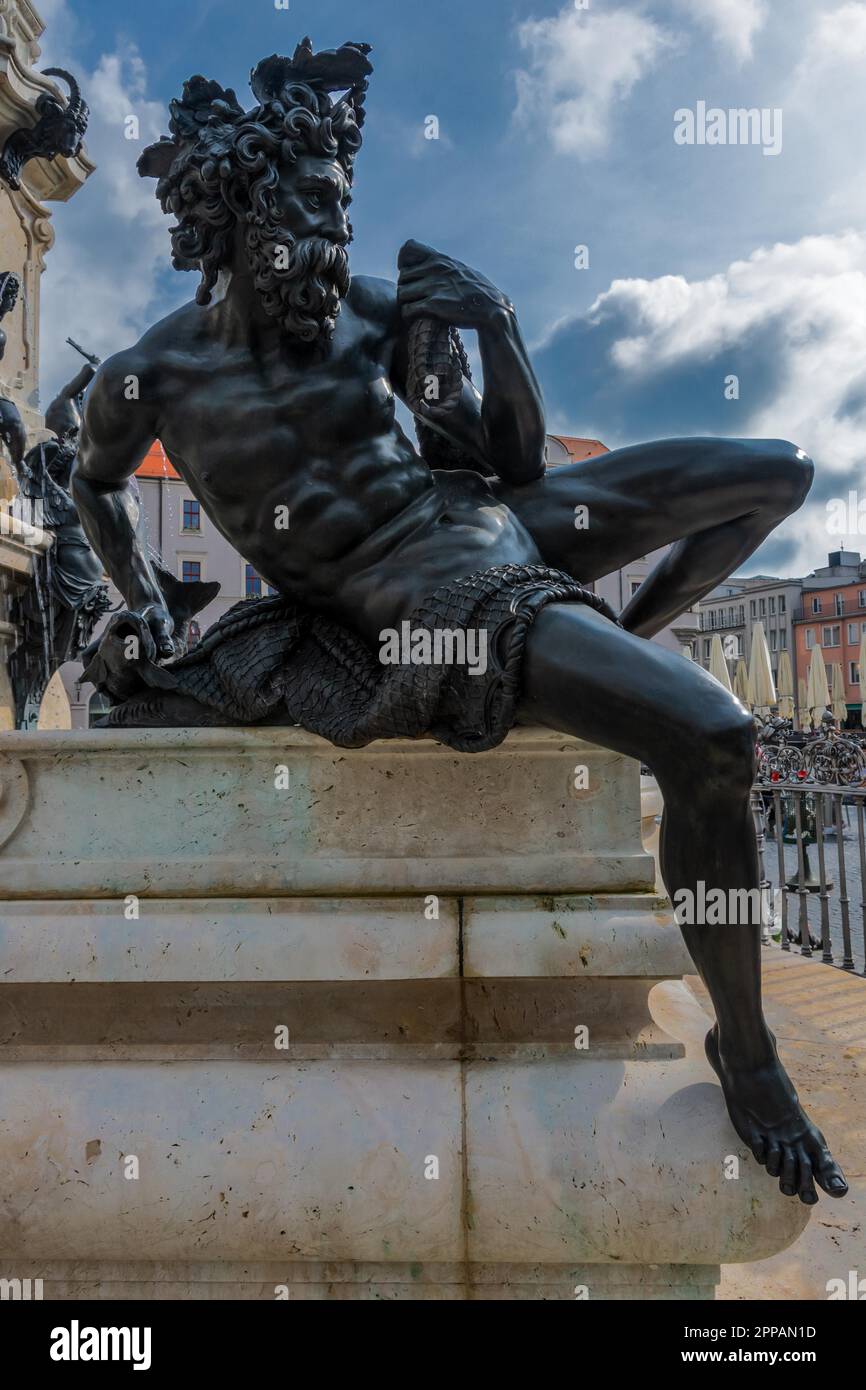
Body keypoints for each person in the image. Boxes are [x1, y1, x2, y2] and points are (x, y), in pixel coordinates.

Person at [72, 39, 846, 1206]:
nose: (335, 243)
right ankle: (745, 1052)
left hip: (496, 517)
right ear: (237, 213)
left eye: (341, 213)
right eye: (313, 211)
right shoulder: (149, 378)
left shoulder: (358, 309)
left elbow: (510, 458)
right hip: (430, 593)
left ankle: (610, 639)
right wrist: (138, 605)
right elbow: (88, 490)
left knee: (773, 471)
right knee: (717, 741)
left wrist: (498, 327)